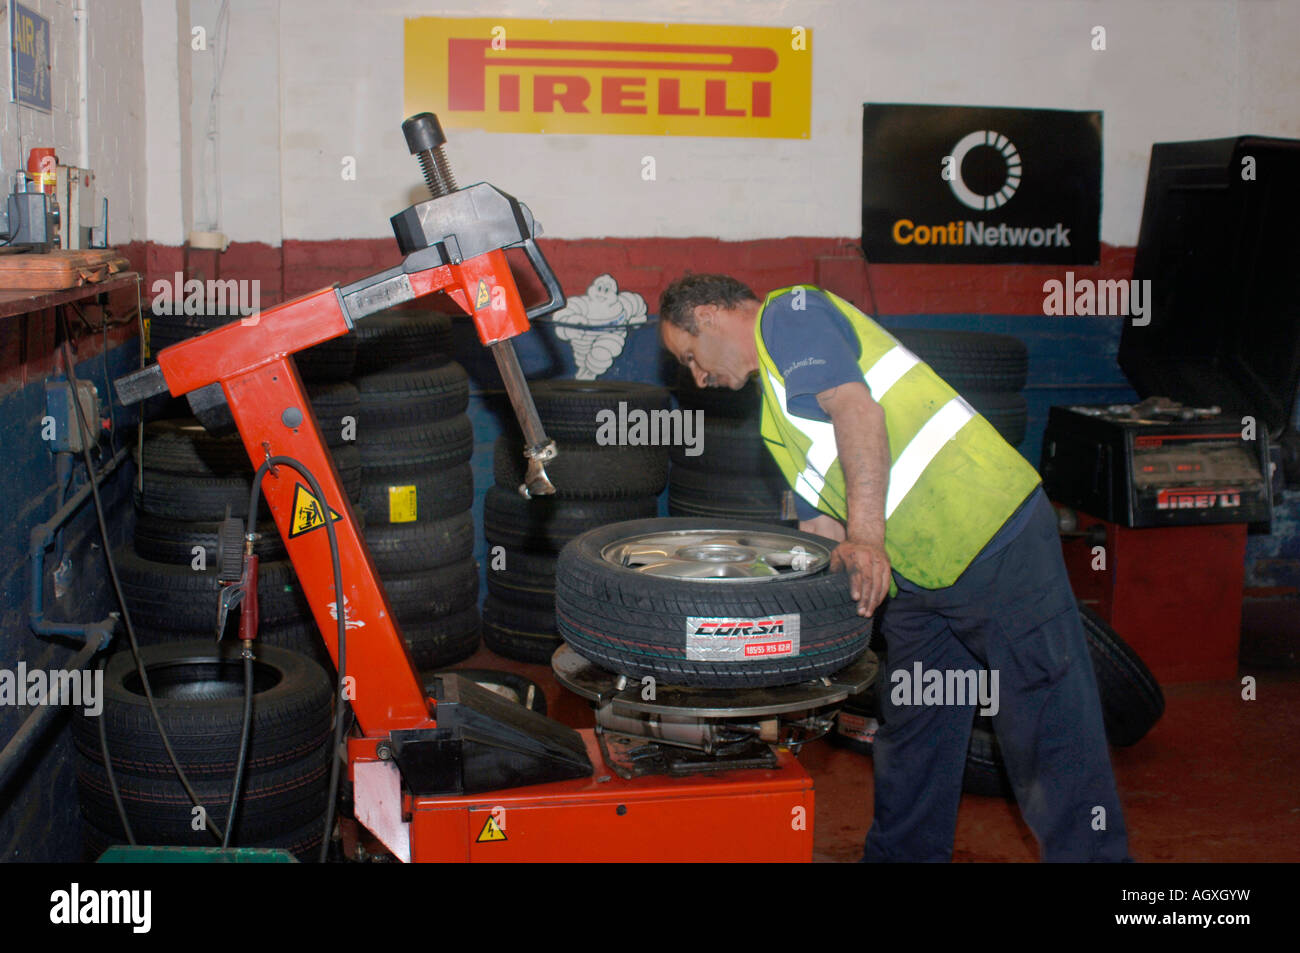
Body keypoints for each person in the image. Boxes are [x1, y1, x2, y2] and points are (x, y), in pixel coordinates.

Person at [657, 273, 1130, 862]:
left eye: (689, 357)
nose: (698, 377)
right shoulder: (776, 420)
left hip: (989, 531)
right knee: (916, 725)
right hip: (921, 573)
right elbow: (820, 533)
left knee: (1045, 720)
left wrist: (867, 540)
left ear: (706, 316)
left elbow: (859, 411)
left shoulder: (790, 314)